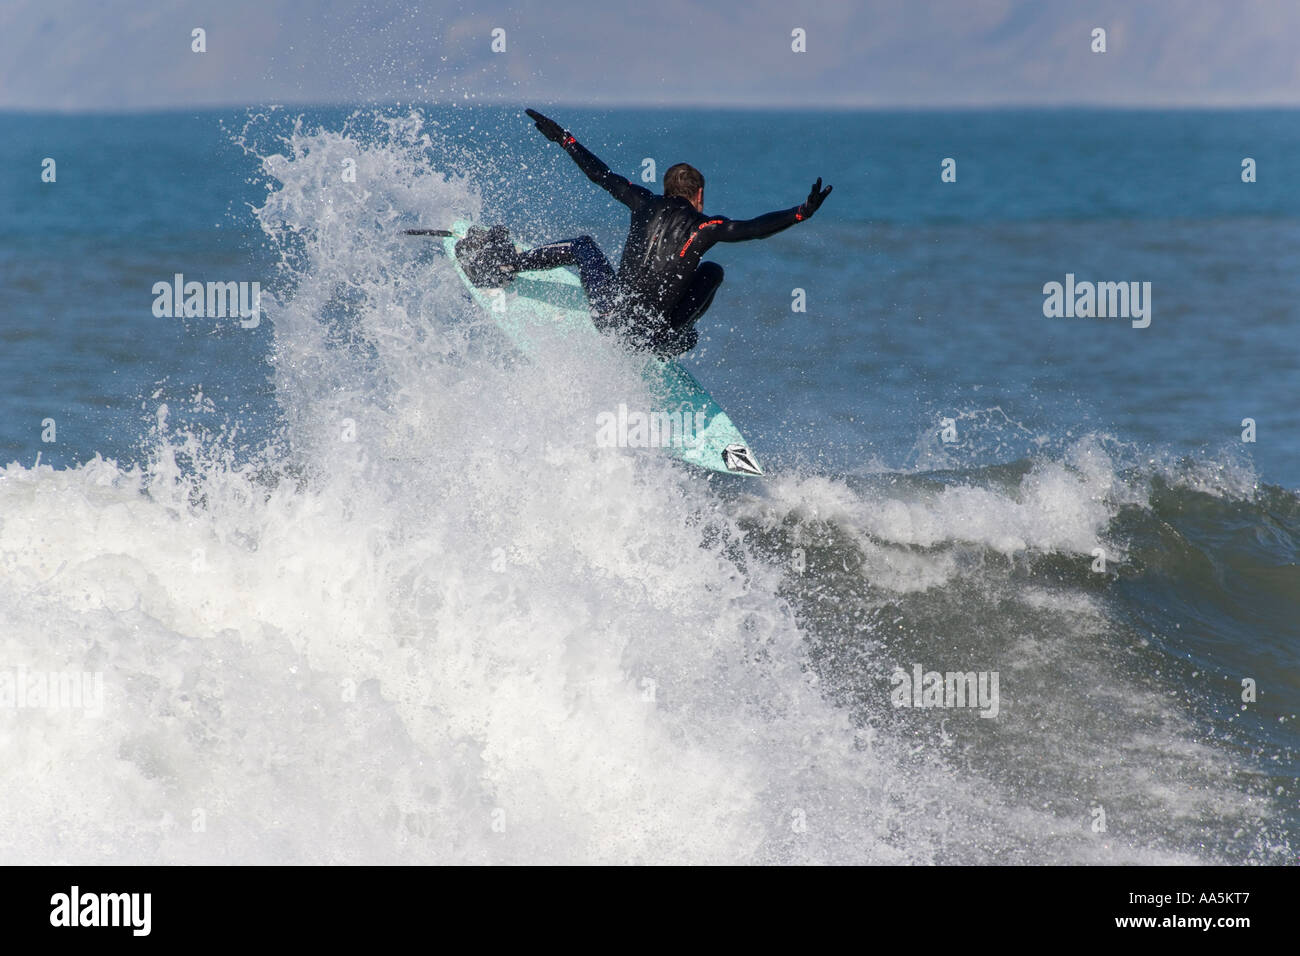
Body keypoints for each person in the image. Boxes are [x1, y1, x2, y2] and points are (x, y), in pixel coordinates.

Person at [457, 108, 832, 358]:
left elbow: (600, 175)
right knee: (714, 272)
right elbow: (752, 229)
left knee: (582, 246)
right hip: (646, 336)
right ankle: (672, 342)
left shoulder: (642, 201)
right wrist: (800, 213)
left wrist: (565, 139)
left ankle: (506, 265)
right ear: (698, 195)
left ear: (668, 190)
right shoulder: (704, 227)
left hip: (609, 315)